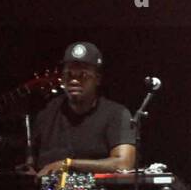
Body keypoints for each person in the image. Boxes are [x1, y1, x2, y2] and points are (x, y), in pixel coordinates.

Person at [31, 42, 136, 178]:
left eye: (83, 75)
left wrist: (68, 164)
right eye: (69, 74)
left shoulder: (116, 114)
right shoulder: (47, 113)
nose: (74, 80)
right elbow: (32, 161)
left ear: (97, 79)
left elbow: (124, 163)